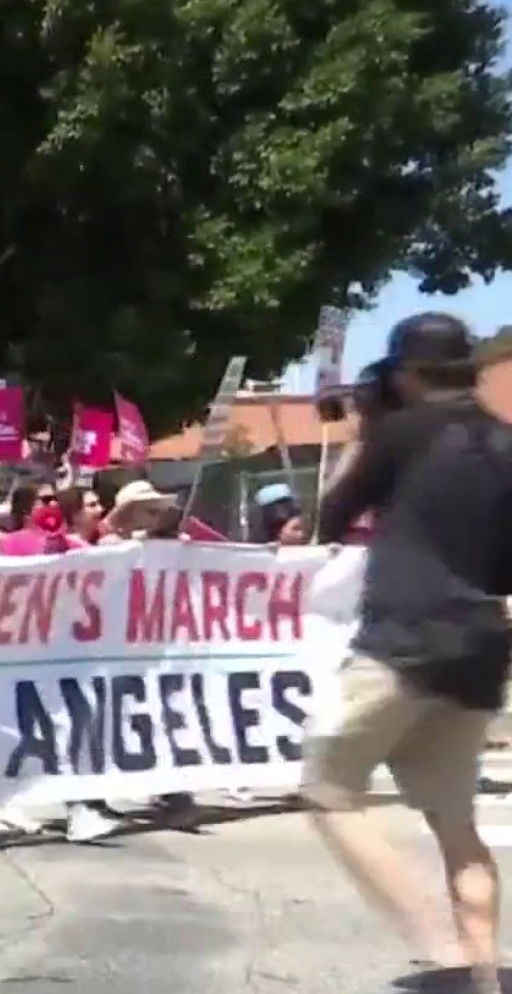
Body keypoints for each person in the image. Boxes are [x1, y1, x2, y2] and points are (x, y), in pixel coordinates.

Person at [306, 312, 512, 994]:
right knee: (457, 823)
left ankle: (431, 941)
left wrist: (367, 434)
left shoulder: (401, 431)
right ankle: (487, 977)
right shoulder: (507, 442)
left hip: (405, 636)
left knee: (328, 790)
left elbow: (331, 517)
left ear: (406, 373)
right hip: (480, 647)